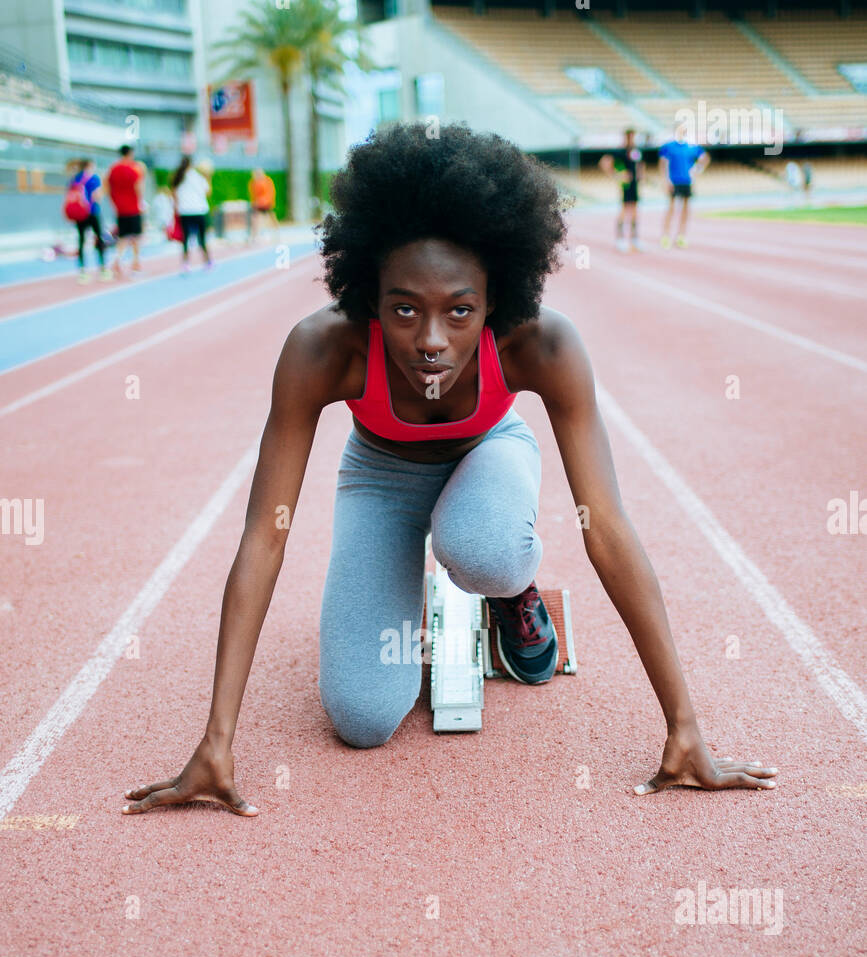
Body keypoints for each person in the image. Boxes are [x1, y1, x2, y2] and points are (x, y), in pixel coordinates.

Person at [122, 123, 776, 817]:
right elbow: (265, 533)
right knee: (363, 720)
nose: (430, 341)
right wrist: (216, 738)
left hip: (488, 451)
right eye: (403, 309)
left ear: (496, 300)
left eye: (459, 311)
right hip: (379, 475)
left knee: (481, 547)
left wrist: (684, 727)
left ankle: (511, 594)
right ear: (367, 296)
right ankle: (421, 588)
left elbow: (605, 524)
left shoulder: (542, 344)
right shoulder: (321, 350)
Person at [658, 124, 709, 249]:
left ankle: (681, 236)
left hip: (687, 181)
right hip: (674, 181)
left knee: (686, 209)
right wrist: (665, 180)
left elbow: (705, 158)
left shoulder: (692, 147)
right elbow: (662, 164)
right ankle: (666, 236)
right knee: (671, 208)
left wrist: (697, 171)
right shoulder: (668, 147)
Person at [66, 158, 111, 285]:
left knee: (81, 240)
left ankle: (82, 271)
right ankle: (103, 268)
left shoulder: (75, 179)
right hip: (92, 212)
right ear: (90, 166)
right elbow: (97, 196)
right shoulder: (93, 178)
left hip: (80, 214)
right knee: (99, 238)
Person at [599, 129, 644, 252]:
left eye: (633, 137)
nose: (632, 139)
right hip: (625, 185)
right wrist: (616, 175)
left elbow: (639, 164)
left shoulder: (636, 151)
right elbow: (604, 162)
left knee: (635, 211)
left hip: (635, 185)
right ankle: (620, 239)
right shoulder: (619, 151)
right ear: (625, 137)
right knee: (624, 211)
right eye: (630, 137)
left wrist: (640, 175)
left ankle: (635, 239)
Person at [107, 144, 146, 277]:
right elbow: (138, 187)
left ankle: (117, 259)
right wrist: (141, 203)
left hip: (120, 209)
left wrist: (114, 203)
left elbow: (108, 188)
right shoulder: (134, 169)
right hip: (133, 207)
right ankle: (136, 266)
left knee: (123, 237)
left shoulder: (113, 169)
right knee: (136, 237)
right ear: (130, 154)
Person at [171, 155, 214, 273]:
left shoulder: (178, 177)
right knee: (202, 238)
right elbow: (207, 192)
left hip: (184, 211)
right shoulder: (197, 176)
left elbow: (174, 194)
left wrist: (176, 208)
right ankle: (207, 261)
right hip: (199, 210)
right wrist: (208, 177)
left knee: (185, 239)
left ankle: (185, 263)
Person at [248, 168, 277, 241]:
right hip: (258, 204)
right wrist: (254, 203)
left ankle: (275, 233)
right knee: (255, 219)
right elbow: (254, 195)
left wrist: (266, 201)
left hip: (266, 203)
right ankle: (254, 236)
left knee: (270, 218)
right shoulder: (253, 183)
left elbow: (270, 193)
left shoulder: (266, 181)